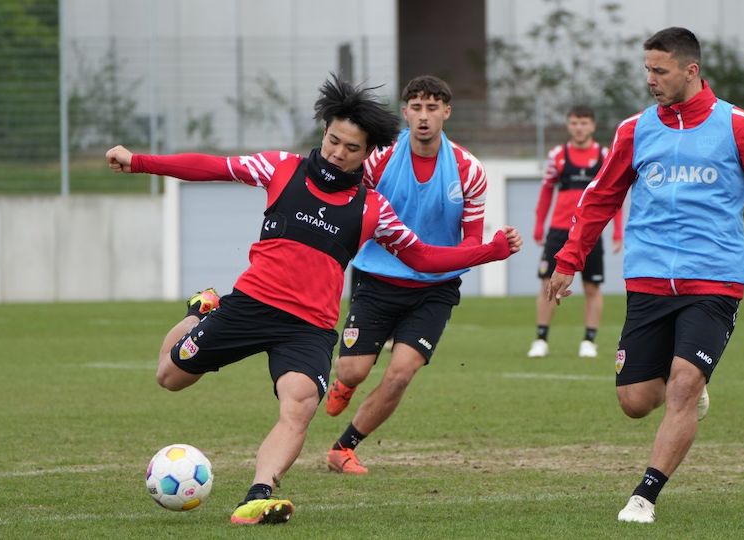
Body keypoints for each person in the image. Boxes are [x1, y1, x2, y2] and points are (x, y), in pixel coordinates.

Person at [105, 75, 522, 525]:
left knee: (299, 407)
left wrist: (489, 250)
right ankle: (200, 311)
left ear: (367, 153)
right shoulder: (280, 168)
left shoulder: (374, 208)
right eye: (333, 140)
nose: (338, 152)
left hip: (309, 327)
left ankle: (258, 495)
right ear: (323, 133)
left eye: (351, 147)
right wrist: (139, 162)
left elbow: (422, 255)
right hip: (250, 305)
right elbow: (212, 167)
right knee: (169, 377)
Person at [546, 27, 744, 524]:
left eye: (659, 70)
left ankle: (644, 497)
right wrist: (568, 260)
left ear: (691, 71)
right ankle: (685, 380)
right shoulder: (635, 130)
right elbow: (599, 199)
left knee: (683, 386)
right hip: (647, 280)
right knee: (634, 401)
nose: (650, 79)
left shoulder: (741, 127)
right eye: (647, 69)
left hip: (713, 281)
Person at [323, 75, 487, 475]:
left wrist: (491, 249)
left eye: (432, 108)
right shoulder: (378, 158)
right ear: (405, 112)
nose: (424, 116)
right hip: (377, 280)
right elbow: (350, 207)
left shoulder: (468, 169)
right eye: (416, 108)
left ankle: (343, 449)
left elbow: (472, 240)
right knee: (353, 370)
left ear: (446, 112)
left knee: (399, 375)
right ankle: (345, 383)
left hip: (434, 288)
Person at [528, 105, 623, 359]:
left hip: (590, 234)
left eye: (583, 123)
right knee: (548, 285)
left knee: (592, 288)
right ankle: (541, 339)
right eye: (574, 123)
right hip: (559, 232)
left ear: (592, 126)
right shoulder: (557, 155)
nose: (579, 128)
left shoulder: (604, 155)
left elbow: (615, 195)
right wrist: (539, 225)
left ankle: (589, 341)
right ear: (568, 125)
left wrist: (617, 232)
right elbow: (547, 190)